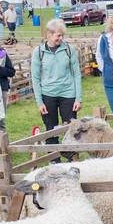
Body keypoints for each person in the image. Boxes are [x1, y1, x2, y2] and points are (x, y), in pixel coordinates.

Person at [30, 20, 82, 149]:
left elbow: (76, 74)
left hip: (68, 93)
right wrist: (39, 102)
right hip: (48, 94)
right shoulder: (38, 52)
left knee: (70, 128)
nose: (60, 38)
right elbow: (35, 78)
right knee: (51, 129)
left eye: (62, 35)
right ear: (49, 34)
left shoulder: (69, 49)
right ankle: (53, 159)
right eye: (58, 35)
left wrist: (78, 98)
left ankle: (71, 158)